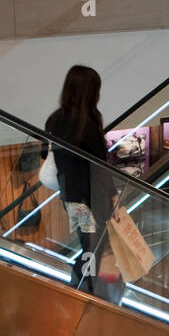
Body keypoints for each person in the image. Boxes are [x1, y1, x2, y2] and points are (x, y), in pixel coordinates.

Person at [44, 66, 121, 297]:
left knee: (89, 242)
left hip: (72, 197)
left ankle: (82, 284)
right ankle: (82, 286)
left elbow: (48, 155)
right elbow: (100, 166)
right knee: (95, 243)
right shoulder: (88, 124)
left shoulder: (55, 120)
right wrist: (113, 195)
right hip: (92, 198)